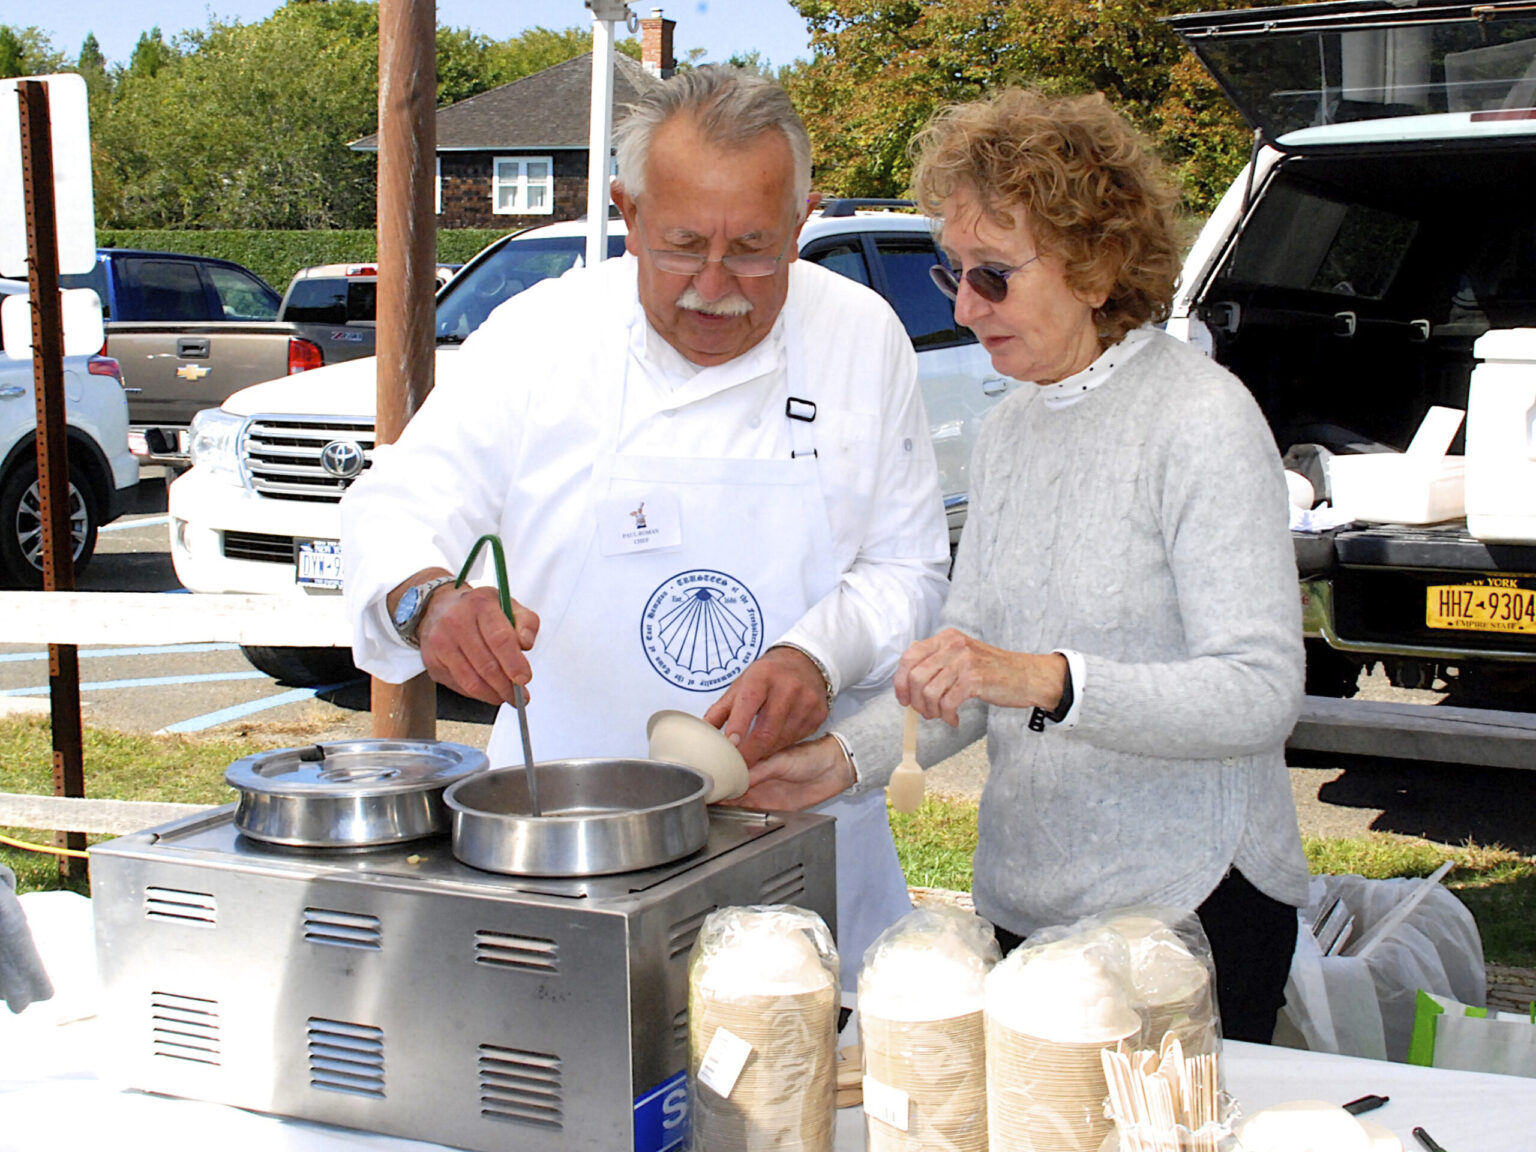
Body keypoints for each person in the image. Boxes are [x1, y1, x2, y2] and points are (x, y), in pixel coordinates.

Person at [341, 67, 950, 980]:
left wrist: (817, 656)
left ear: (803, 218)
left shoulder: (862, 337)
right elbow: (398, 506)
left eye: (753, 249)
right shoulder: (539, 337)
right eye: (679, 247)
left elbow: (909, 570)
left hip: (798, 843)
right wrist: (428, 603)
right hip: (567, 850)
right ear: (626, 213)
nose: (716, 288)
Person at [735, 89, 1310, 1042]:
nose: (963, 308)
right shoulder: (1006, 433)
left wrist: (1043, 677)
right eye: (953, 273)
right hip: (1027, 909)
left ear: (1097, 267)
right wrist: (832, 765)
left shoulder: (1200, 418)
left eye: (993, 276)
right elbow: (965, 683)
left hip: (1189, 912)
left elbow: (1258, 693)